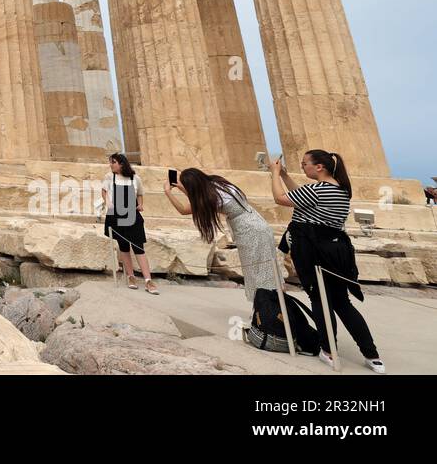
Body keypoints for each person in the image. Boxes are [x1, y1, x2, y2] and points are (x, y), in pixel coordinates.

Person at [271, 150, 385, 373]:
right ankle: (372, 356)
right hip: (336, 251)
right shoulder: (340, 190)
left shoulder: (318, 190)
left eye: (305, 164)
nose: (303, 167)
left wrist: (274, 174)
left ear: (319, 167)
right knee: (342, 303)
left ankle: (328, 350)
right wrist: (285, 176)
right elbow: (301, 197)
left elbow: (280, 199)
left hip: (313, 251)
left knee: (319, 300)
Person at [164, 168, 278, 302]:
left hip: (249, 232)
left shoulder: (211, 198)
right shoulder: (217, 183)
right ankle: (272, 313)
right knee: (269, 272)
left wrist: (168, 192)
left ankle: (265, 315)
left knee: (256, 274)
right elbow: (198, 198)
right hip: (258, 224)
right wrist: (184, 188)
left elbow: (184, 209)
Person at [102, 154, 157, 294]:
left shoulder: (135, 178)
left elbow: (140, 193)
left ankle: (148, 280)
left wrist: (141, 204)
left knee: (139, 247)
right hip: (116, 213)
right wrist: (108, 203)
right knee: (123, 246)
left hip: (132, 213)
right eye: (110, 162)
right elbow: (104, 192)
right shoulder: (109, 177)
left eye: (113, 162)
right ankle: (130, 276)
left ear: (121, 163)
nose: (111, 165)